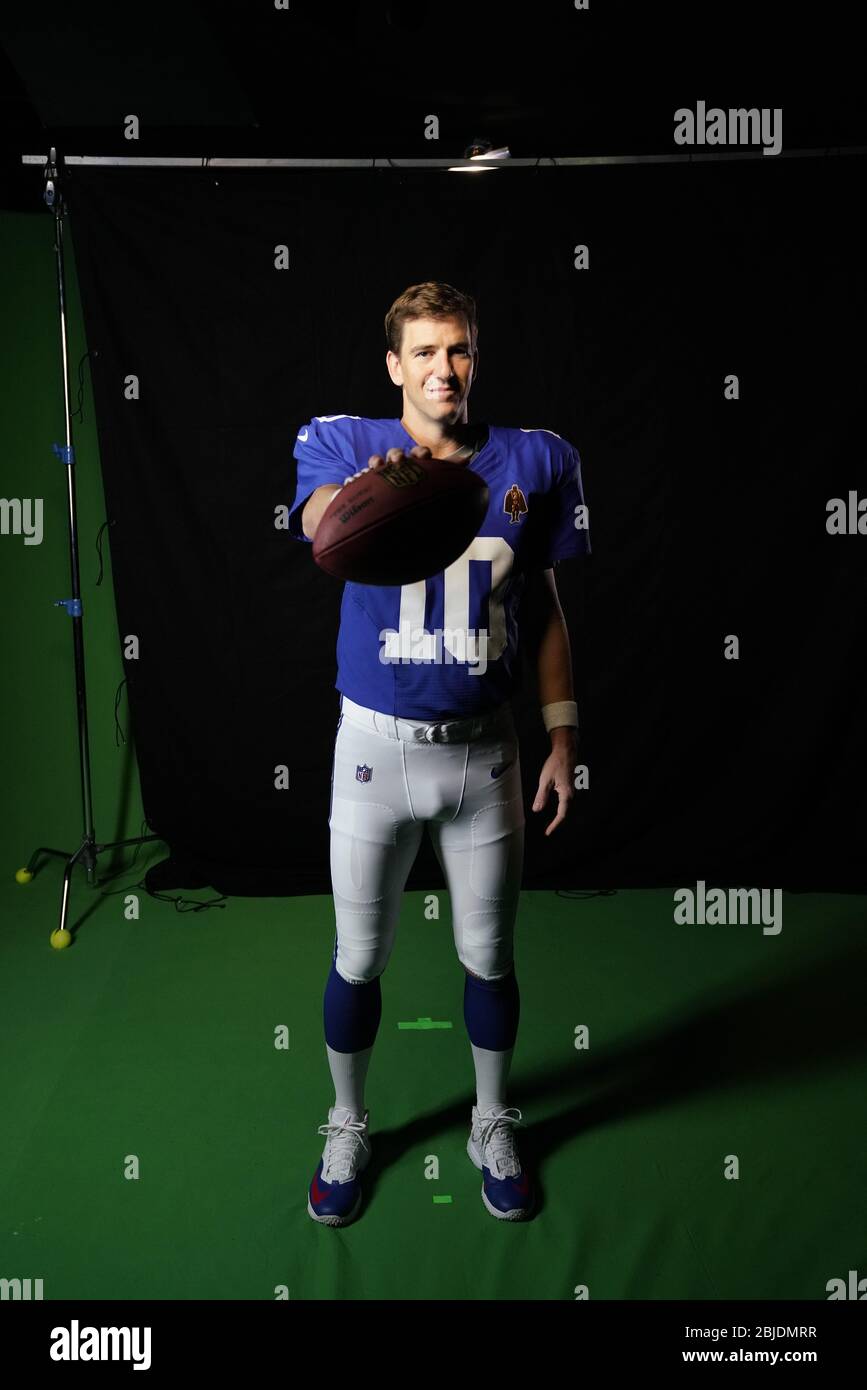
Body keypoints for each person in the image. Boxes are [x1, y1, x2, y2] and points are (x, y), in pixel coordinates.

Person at [287, 281, 590, 1224]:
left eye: (456, 349)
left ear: (474, 357)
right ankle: (346, 1121)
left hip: (483, 755)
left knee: (489, 957)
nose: (442, 369)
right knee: (358, 956)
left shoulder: (536, 459)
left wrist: (561, 735)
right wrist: (376, 492)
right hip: (374, 750)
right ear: (394, 365)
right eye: (423, 351)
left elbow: (545, 608)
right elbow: (320, 523)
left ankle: (490, 1119)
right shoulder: (345, 444)